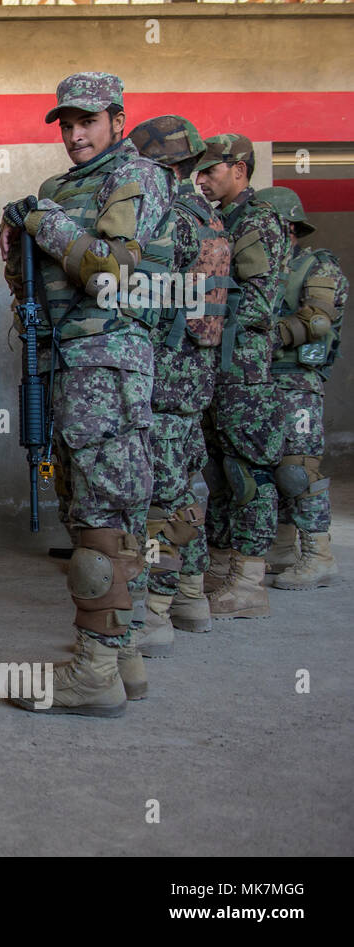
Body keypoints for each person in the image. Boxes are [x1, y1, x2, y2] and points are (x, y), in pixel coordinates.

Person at [0, 72, 175, 716]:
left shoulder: (137, 179)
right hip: (65, 361)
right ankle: (122, 658)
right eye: (66, 123)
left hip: (106, 362)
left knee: (103, 517)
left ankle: (92, 672)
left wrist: (41, 223)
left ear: (118, 120)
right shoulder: (60, 188)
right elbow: (35, 283)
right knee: (93, 509)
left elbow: (110, 270)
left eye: (88, 122)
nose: (75, 134)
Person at [125, 115, 233, 652]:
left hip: (167, 371)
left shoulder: (169, 219)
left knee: (161, 497)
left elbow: (143, 296)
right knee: (190, 485)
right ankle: (192, 593)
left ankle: (158, 609)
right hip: (197, 373)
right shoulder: (207, 217)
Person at [194, 135, 292, 618]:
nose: (202, 178)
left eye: (211, 170)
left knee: (247, 471)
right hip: (213, 362)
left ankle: (250, 579)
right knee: (217, 471)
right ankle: (221, 567)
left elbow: (258, 301)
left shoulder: (259, 221)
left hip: (243, 366)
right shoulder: (219, 220)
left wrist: (205, 311)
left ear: (239, 169)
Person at [254, 186, 345, 590]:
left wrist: (265, 335)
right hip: (262, 379)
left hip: (297, 381)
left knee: (297, 470)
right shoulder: (260, 270)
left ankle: (319, 554)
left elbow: (317, 318)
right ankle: (284, 546)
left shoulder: (316, 268)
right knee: (270, 469)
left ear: (288, 228)